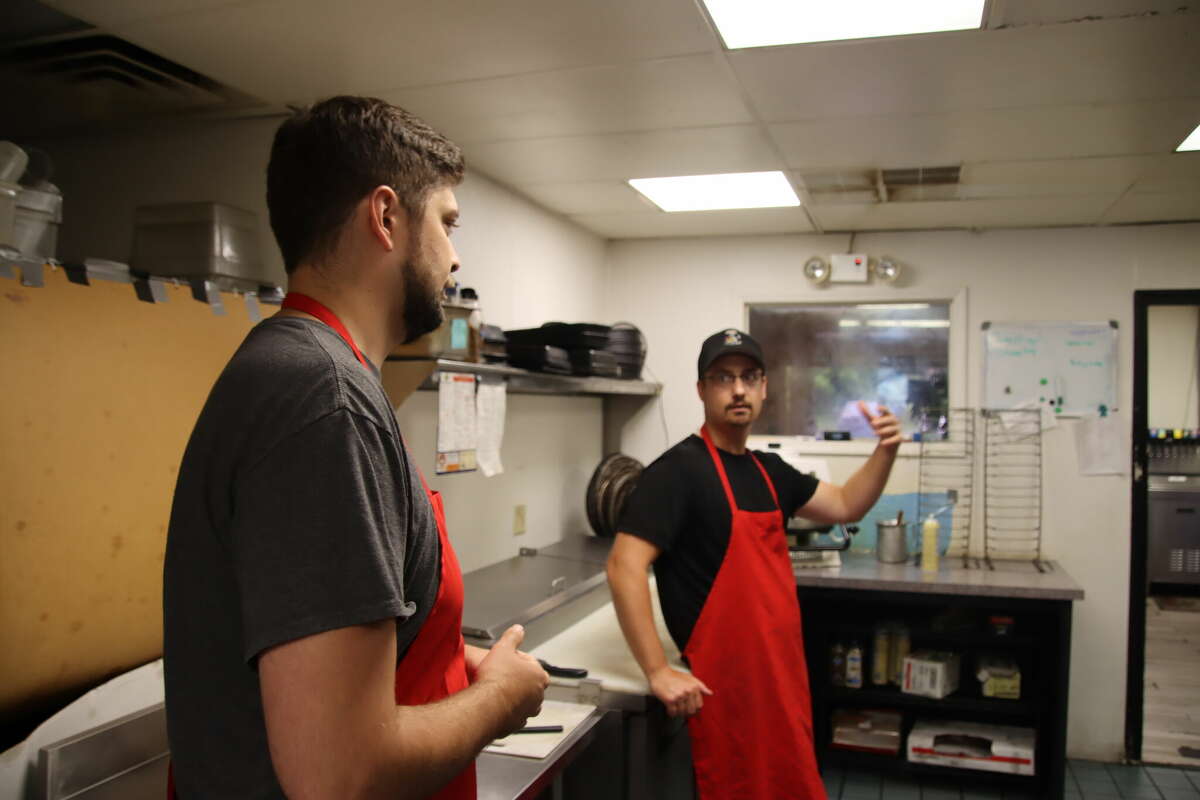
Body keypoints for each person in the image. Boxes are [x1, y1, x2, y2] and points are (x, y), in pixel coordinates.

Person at [163, 96, 548, 799]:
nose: (455, 256)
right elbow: (340, 773)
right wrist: (502, 698)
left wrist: (452, 659)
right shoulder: (325, 400)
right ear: (387, 217)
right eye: (447, 223)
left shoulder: (306, 372)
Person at [606, 328, 901, 800]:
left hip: (779, 677)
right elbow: (624, 565)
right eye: (723, 378)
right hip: (723, 688)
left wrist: (886, 452)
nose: (738, 389)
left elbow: (846, 504)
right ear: (702, 390)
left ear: (764, 387)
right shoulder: (677, 472)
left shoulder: (770, 471)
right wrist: (657, 670)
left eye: (749, 377)